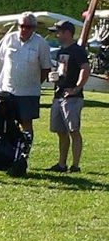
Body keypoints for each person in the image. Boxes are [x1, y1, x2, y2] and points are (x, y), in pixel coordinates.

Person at [0, 12, 52, 139]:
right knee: (4, 123)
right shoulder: (9, 39)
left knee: (26, 124)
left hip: (28, 93)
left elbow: (46, 68)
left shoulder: (41, 43)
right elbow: (1, 60)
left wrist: (34, 83)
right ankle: (6, 148)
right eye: (21, 26)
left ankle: (25, 149)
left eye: (28, 27)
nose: (24, 29)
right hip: (6, 91)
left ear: (34, 28)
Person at [46, 19, 87, 172]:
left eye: (58, 32)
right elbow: (63, 71)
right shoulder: (61, 51)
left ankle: (75, 165)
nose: (56, 35)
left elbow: (85, 68)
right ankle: (61, 164)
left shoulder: (77, 51)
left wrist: (76, 88)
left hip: (72, 98)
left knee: (73, 130)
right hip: (59, 94)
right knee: (61, 132)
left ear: (67, 33)